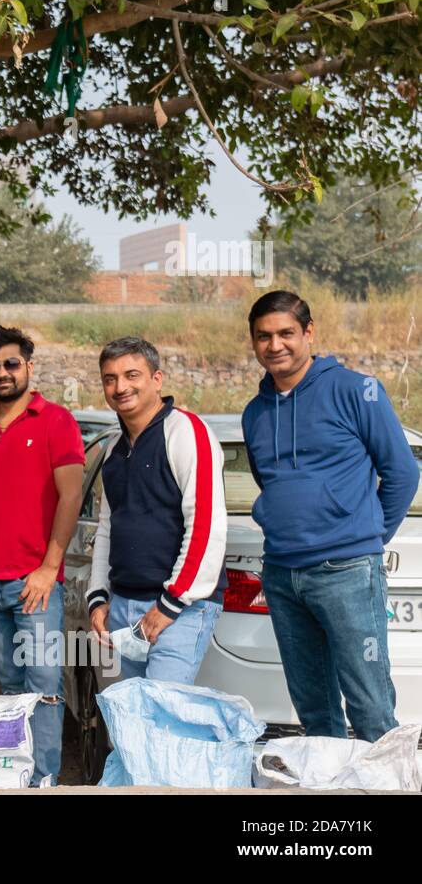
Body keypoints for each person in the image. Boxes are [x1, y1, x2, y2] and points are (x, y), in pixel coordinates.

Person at [243, 290, 417, 741]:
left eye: (286, 333)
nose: (275, 345)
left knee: (370, 706)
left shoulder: (357, 390)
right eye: (264, 336)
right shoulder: (255, 413)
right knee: (314, 712)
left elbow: (401, 472)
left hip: (347, 572)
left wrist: (368, 538)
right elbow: (271, 483)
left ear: (309, 332)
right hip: (282, 573)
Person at [0, 326, 84, 786]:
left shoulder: (56, 420)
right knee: (10, 688)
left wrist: (49, 569)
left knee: (44, 686)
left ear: (28, 366)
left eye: (10, 364)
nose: (2, 373)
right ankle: (17, 774)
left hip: (35, 585)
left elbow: (71, 496)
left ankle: (45, 778)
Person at [86, 337, 227, 684]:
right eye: (110, 378)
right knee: (132, 721)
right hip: (122, 607)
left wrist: (168, 606)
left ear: (157, 379)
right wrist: (98, 597)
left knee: (163, 719)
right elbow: (107, 528)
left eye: (132, 375)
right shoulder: (113, 449)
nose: (120, 387)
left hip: (178, 609)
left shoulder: (187, 432)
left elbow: (205, 525)